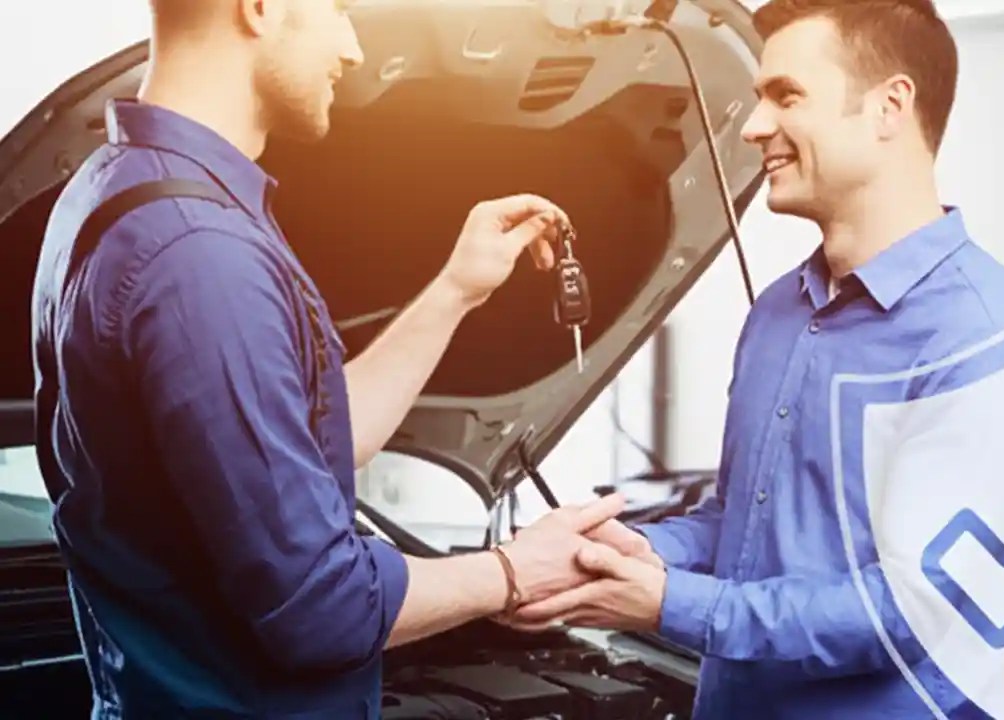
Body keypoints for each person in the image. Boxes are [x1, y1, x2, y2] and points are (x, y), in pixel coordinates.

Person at [30, 1, 641, 717]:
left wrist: (456, 291)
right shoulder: (199, 254)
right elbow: (320, 609)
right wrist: (514, 571)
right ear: (259, 8)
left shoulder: (113, 193)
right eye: (340, 8)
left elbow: (304, 445)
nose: (353, 48)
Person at [508, 1, 1004, 718]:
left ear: (890, 106)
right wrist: (625, 552)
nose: (753, 126)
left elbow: (908, 611)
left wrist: (668, 602)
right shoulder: (779, 312)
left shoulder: (989, 339)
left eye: (787, 96)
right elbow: (744, 526)